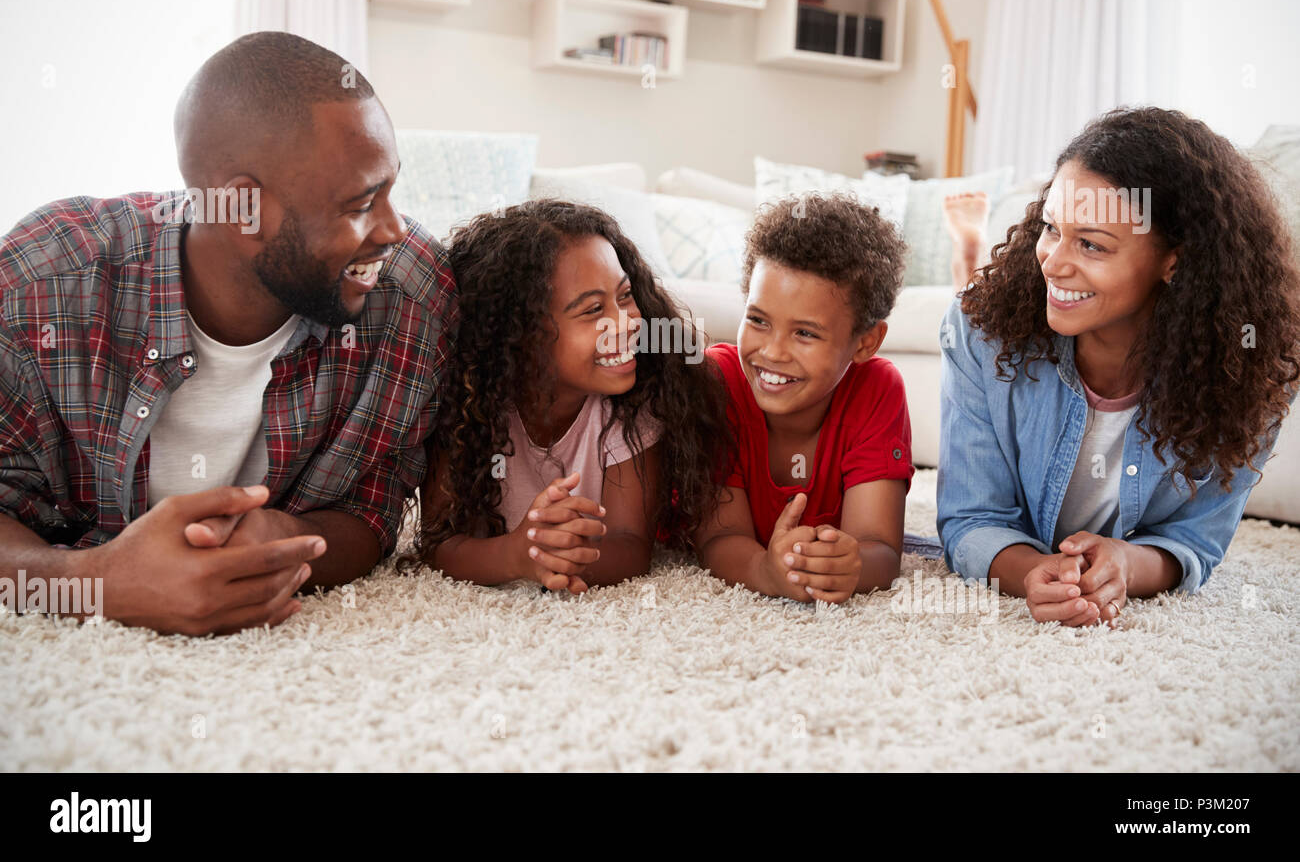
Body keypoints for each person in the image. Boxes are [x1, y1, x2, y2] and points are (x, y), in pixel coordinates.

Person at [0, 31, 457, 635]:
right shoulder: (46, 283)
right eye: (359, 204)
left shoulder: (413, 298)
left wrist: (293, 539)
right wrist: (100, 586)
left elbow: (372, 506)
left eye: (391, 188)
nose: (393, 228)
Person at [938, 106, 1300, 626]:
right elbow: (972, 518)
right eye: (1050, 228)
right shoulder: (981, 332)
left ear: (1174, 260)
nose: (1054, 263)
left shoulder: (1247, 372)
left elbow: (1195, 541)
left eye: (1091, 244)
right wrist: (1032, 573)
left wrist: (1128, 564)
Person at [402, 199, 731, 592]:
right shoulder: (467, 407)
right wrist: (516, 555)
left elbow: (630, 545)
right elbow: (440, 545)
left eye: (625, 296)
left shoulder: (633, 405)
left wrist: (559, 558)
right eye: (593, 310)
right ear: (521, 337)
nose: (626, 323)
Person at [695, 194, 914, 604]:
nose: (774, 352)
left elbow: (880, 549)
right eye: (758, 320)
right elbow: (721, 537)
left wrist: (850, 566)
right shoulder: (718, 381)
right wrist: (765, 571)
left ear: (866, 342)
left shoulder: (877, 389)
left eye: (805, 333)